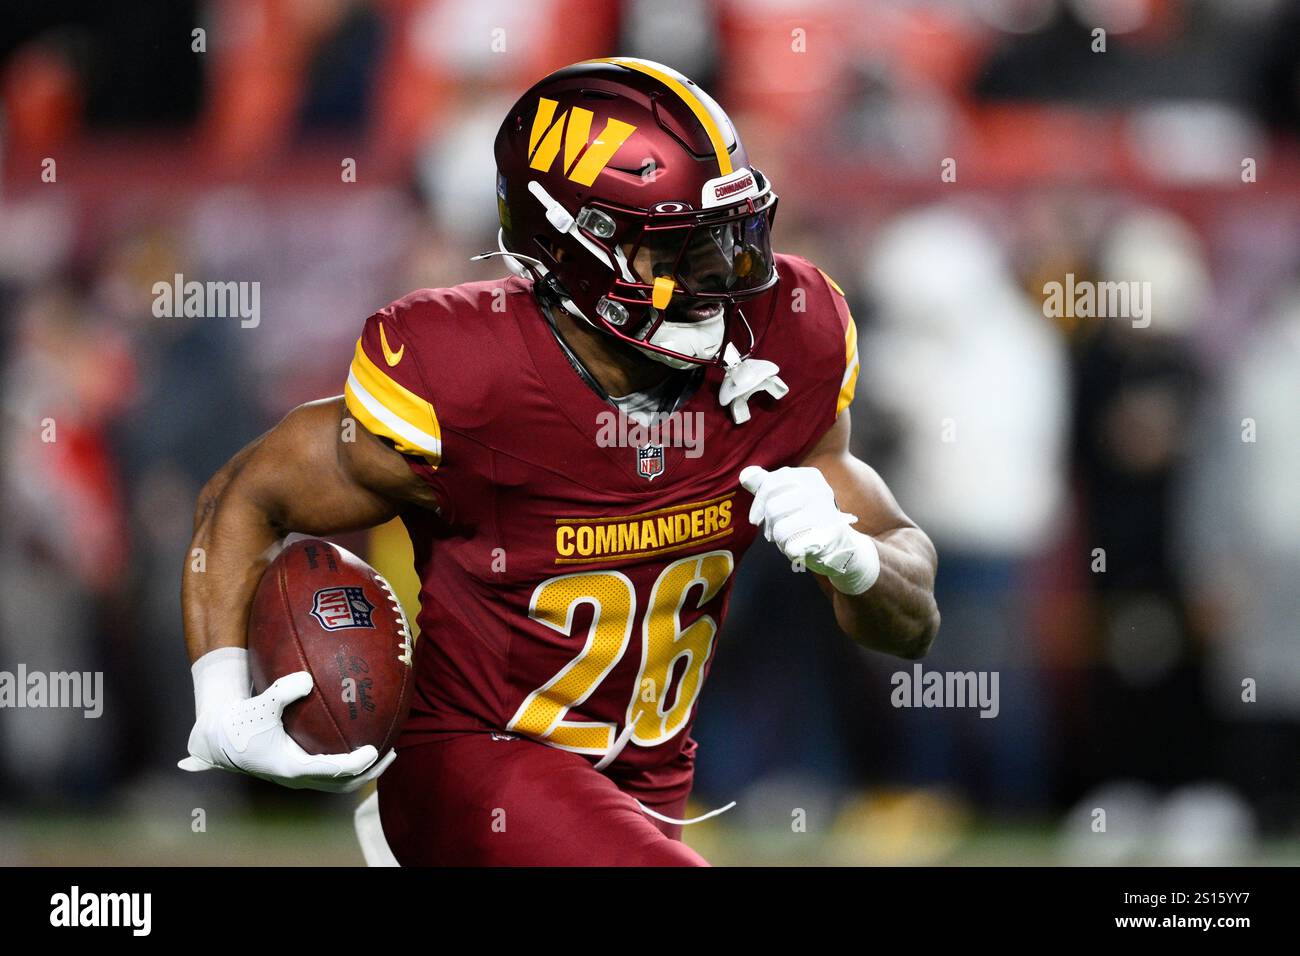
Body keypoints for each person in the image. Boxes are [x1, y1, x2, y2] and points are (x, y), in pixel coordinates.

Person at [178, 57, 940, 865]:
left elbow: (913, 624)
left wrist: (857, 563)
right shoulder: (469, 378)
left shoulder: (786, 344)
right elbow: (247, 495)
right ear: (575, 248)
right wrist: (221, 699)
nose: (723, 278)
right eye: (679, 249)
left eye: (730, 239)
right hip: (474, 769)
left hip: (638, 795)